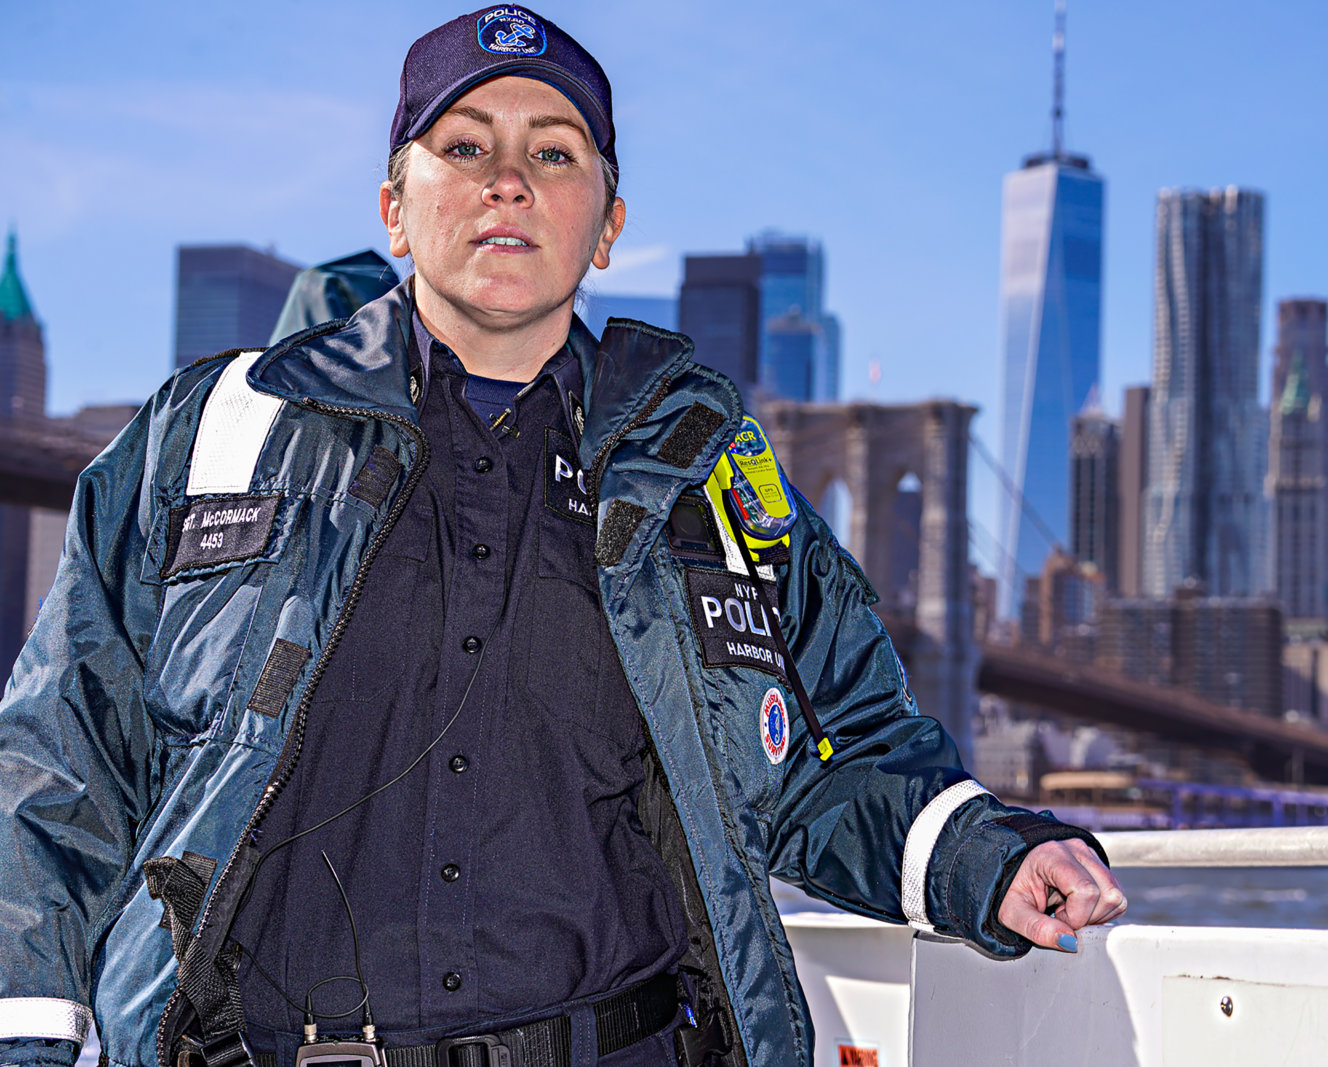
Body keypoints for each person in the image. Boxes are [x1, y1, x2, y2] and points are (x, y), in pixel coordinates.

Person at [0, 8, 1124, 1067]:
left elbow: (835, 750)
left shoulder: (705, 473)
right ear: (393, 205)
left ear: (607, 225)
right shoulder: (207, 437)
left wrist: (991, 852)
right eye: (463, 146)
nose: (506, 181)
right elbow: (61, 765)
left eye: (554, 154)